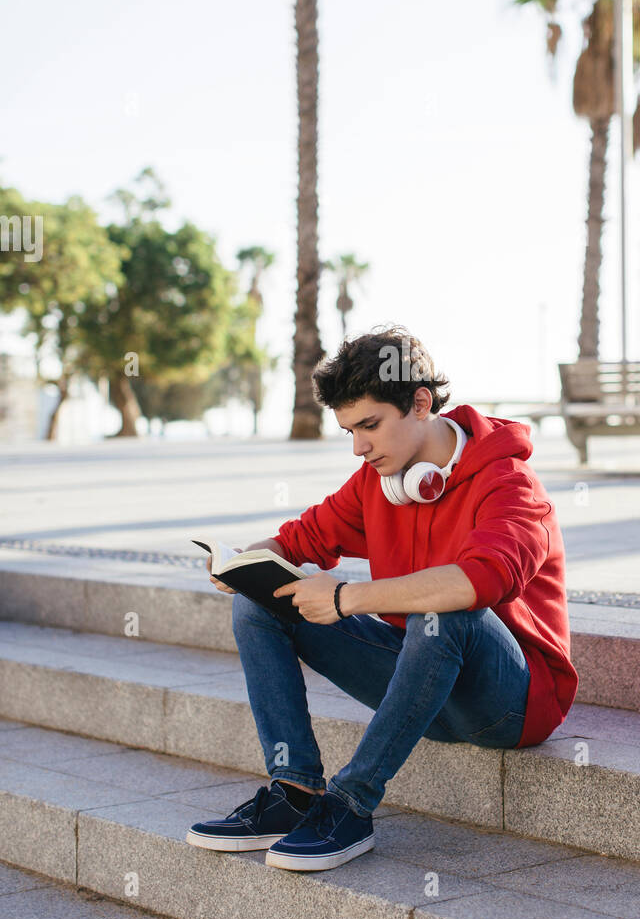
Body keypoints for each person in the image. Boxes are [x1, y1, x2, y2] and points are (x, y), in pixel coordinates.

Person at [186, 324, 578, 871]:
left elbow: (479, 581)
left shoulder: (510, 483)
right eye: (349, 430)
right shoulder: (379, 480)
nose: (359, 447)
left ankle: (351, 805)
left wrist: (347, 597)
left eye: (370, 426)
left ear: (420, 403)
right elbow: (303, 538)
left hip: (510, 705)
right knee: (259, 602)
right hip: (424, 686)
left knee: (447, 614)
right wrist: (244, 563)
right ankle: (294, 792)